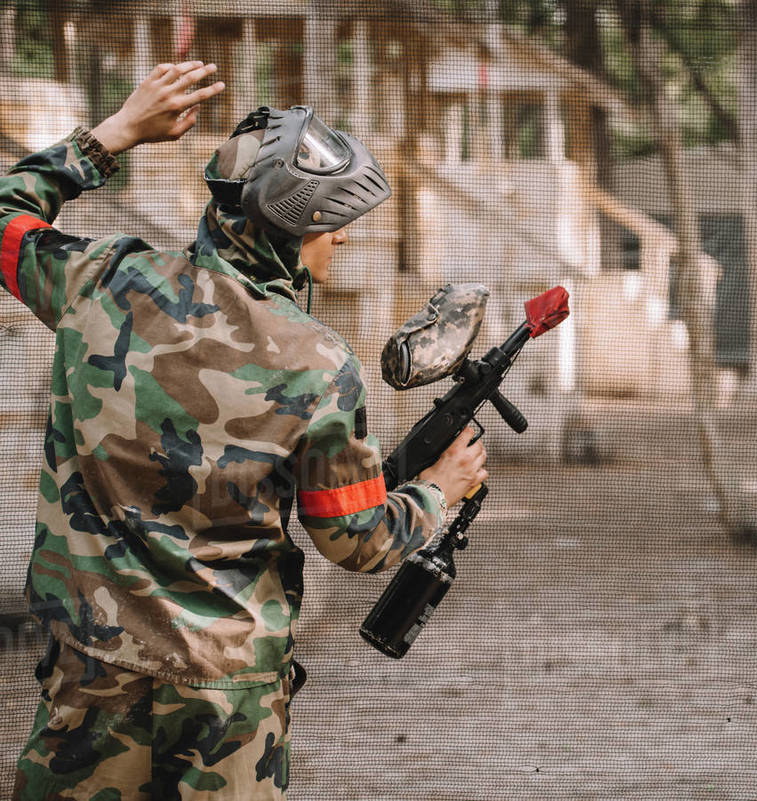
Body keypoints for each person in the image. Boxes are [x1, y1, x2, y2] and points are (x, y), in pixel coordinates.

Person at [2, 62, 487, 799]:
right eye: (331, 223)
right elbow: (356, 540)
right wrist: (436, 492)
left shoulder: (99, 283)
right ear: (290, 226)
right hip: (226, 704)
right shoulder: (318, 364)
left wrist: (117, 132)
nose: (342, 242)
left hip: (90, 672)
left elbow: (7, 217)